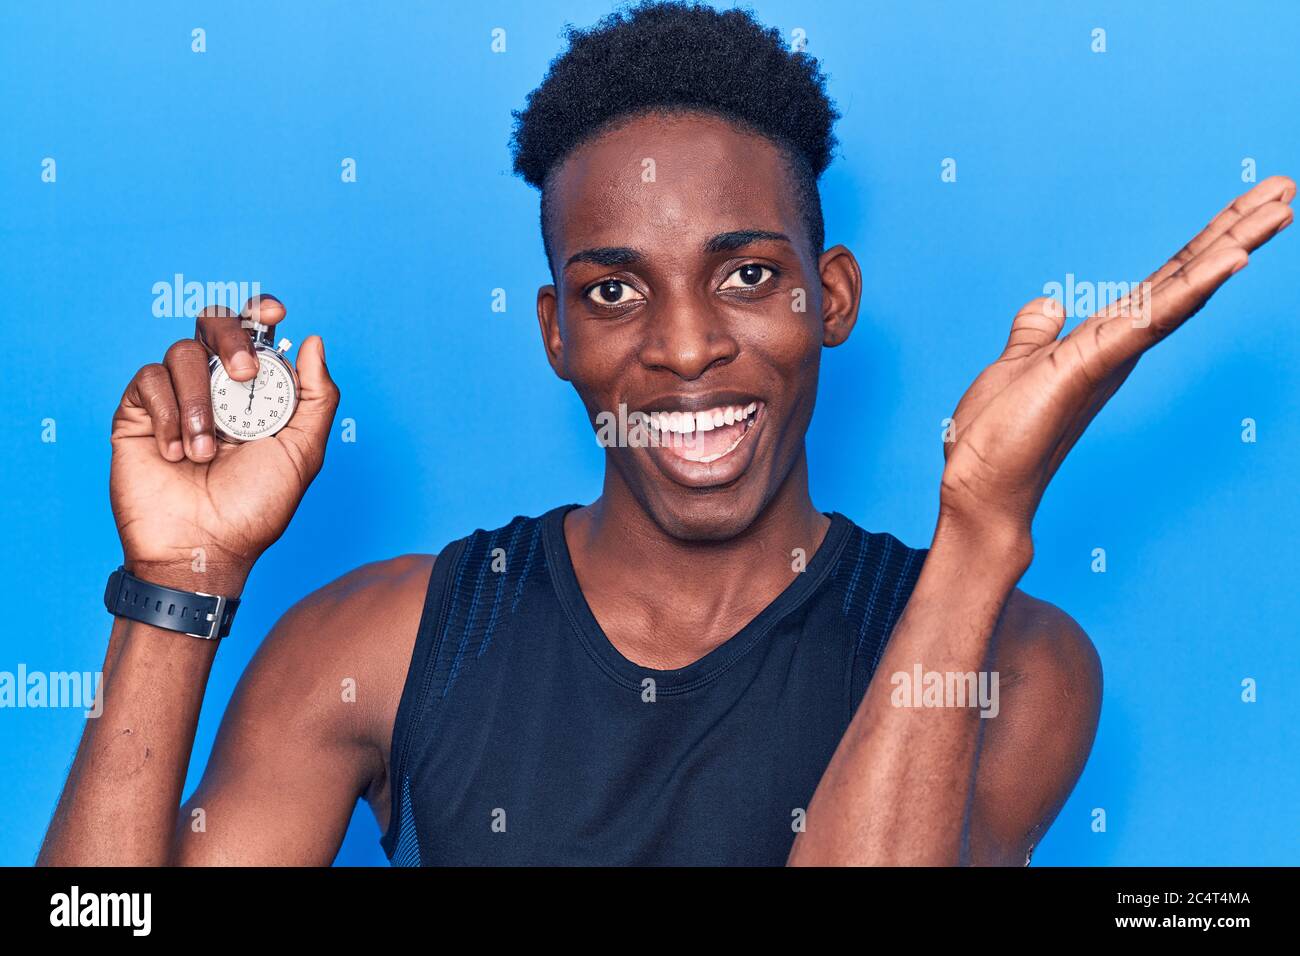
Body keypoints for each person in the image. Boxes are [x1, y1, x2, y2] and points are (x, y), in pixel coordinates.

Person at [38, 1, 1293, 866]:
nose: (685, 346)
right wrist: (177, 583)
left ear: (832, 297)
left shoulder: (1010, 657)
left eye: (747, 273)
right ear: (554, 333)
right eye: (614, 288)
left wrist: (981, 527)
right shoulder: (377, 639)